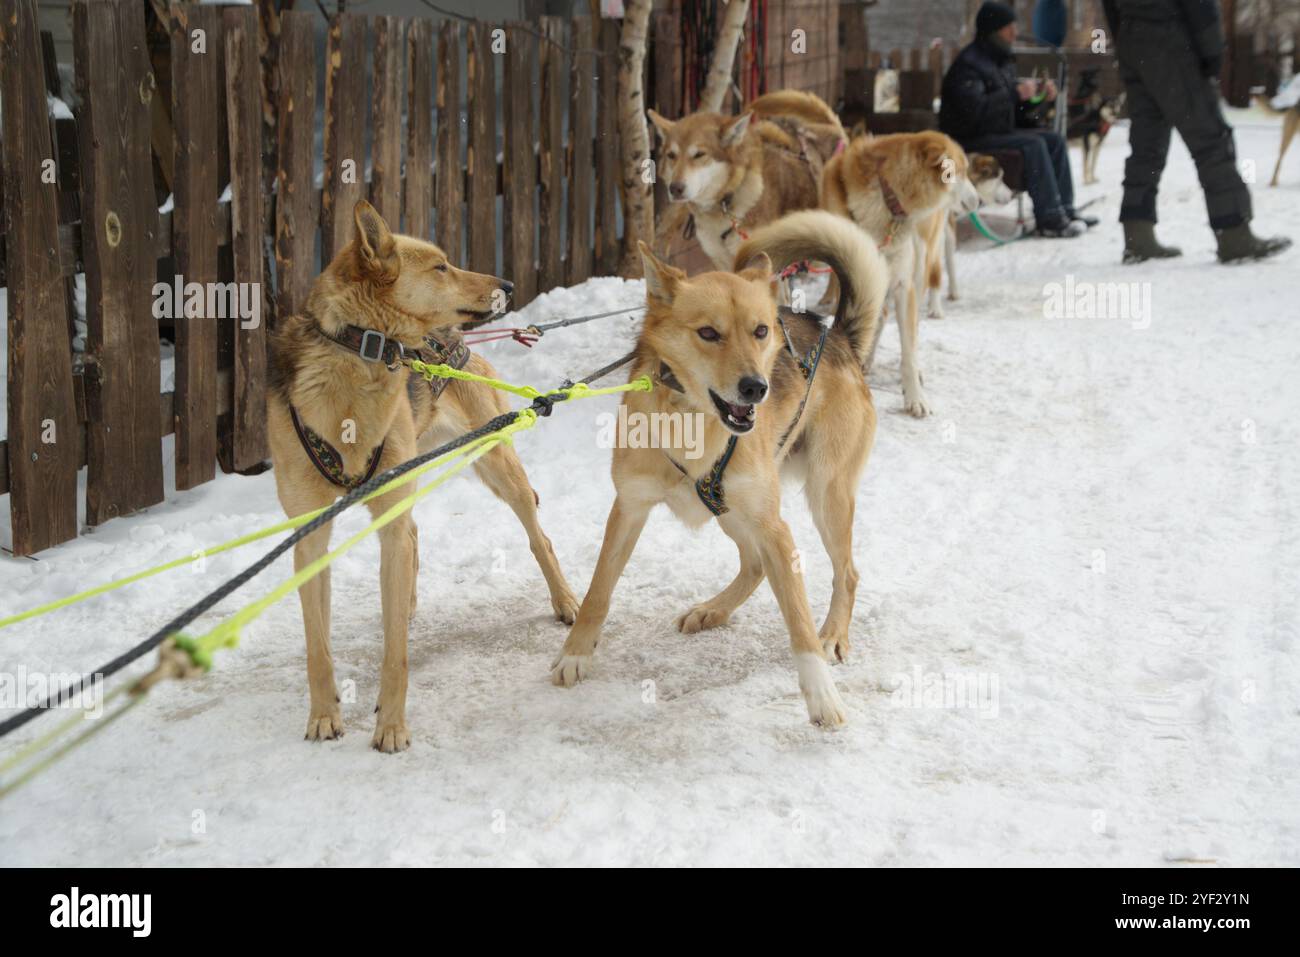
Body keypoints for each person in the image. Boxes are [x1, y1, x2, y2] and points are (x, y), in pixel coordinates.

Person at [1102, 0, 1292, 263]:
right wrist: (1212, 52)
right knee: (1210, 138)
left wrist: (1124, 38)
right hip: (1170, 38)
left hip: (1132, 40)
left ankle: (1138, 235)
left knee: (1147, 142)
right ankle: (1234, 234)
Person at [940, 1, 1095, 238]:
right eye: (1008, 27)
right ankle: (1050, 219)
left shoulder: (1000, 62)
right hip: (970, 137)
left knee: (1053, 139)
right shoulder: (968, 66)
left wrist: (1038, 98)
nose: (1014, 33)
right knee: (1034, 145)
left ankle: (1065, 210)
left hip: (995, 132)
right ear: (991, 30)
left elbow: (1013, 111)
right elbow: (972, 113)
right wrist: (1015, 93)